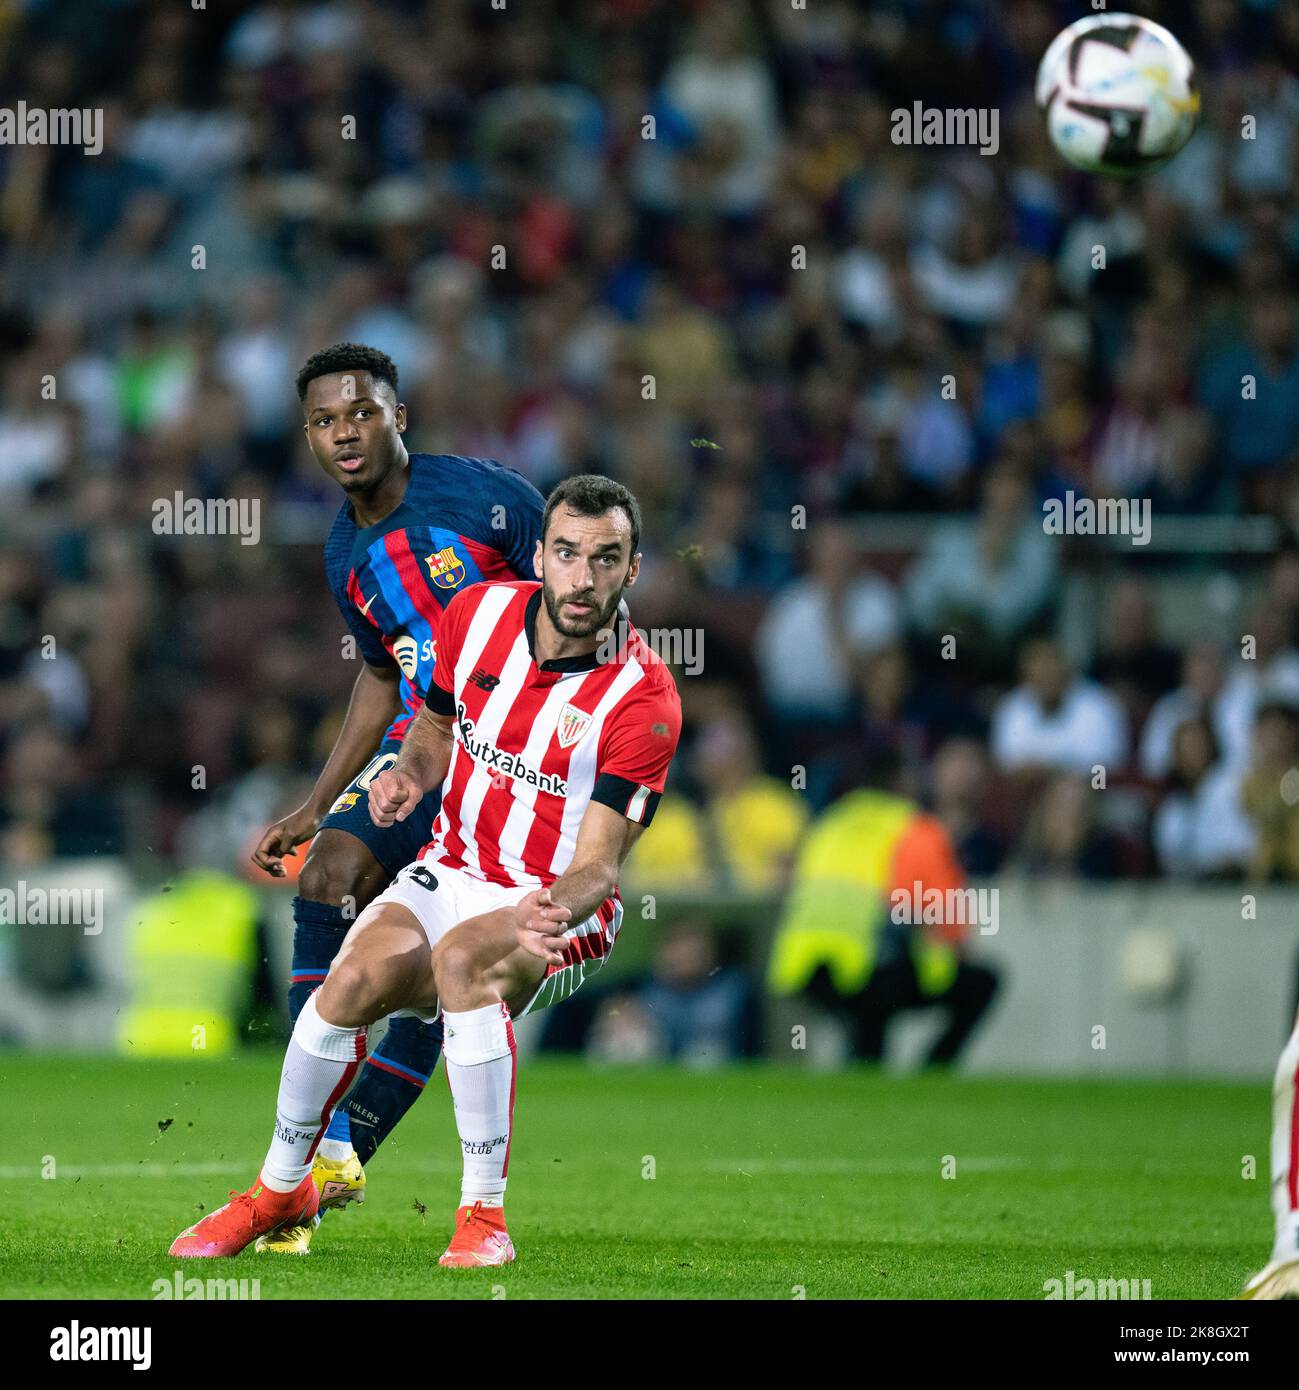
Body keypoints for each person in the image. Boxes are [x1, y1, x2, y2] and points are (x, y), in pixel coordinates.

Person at [170, 475, 681, 1267]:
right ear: (540, 555)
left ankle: (483, 1218)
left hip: (550, 898)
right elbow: (435, 724)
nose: (582, 579)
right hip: (451, 865)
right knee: (346, 985)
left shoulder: (644, 698)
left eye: (604, 559)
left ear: (632, 569)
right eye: (568, 554)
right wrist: (409, 772)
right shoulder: (474, 615)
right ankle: (281, 1190)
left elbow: (600, 867)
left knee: (461, 960)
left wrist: (554, 907)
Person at [248, 342, 543, 1253]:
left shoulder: (490, 501)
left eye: (363, 412)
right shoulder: (343, 550)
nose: (346, 432)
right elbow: (381, 675)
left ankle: (345, 1149)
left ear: (397, 416)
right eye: (327, 421)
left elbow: (577, 606)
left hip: (512, 763)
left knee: (445, 970)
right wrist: (311, 804)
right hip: (418, 749)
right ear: (309, 436)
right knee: (325, 874)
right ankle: (325, 1139)